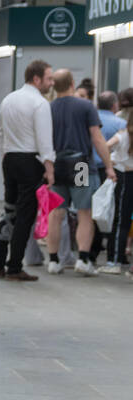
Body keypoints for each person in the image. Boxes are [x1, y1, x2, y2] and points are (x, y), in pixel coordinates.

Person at [0, 60, 56, 281]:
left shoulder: (9, 99)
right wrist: (50, 168)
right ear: (36, 79)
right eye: (49, 78)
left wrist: (4, 154)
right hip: (30, 161)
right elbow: (44, 140)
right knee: (25, 216)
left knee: (8, 212)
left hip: (10, 159)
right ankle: (15, 266)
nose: (51, 82)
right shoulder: (40, 103)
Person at [44, 69, 116, 276]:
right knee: (85, 212)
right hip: (80, 165)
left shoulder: (48, 108)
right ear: (72, 83)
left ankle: (53, 260)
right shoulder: (85, 106)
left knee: (56, 212)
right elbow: (97, 138)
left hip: (57, 164)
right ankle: (83, 259)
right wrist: (108, 166)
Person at [94, 90, 128, 273]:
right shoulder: (121, 124)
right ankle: (99, 249)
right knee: (107, 208)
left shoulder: (90, 119)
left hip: (83, 166)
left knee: (83, 207)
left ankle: (85, 252)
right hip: (108, 170)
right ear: (114, 105)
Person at [104, 89, 133, 276]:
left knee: (121, 220)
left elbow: (105, 147)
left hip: (124, 177)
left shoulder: (123, 134)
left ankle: (114, 260)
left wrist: (111, 164)